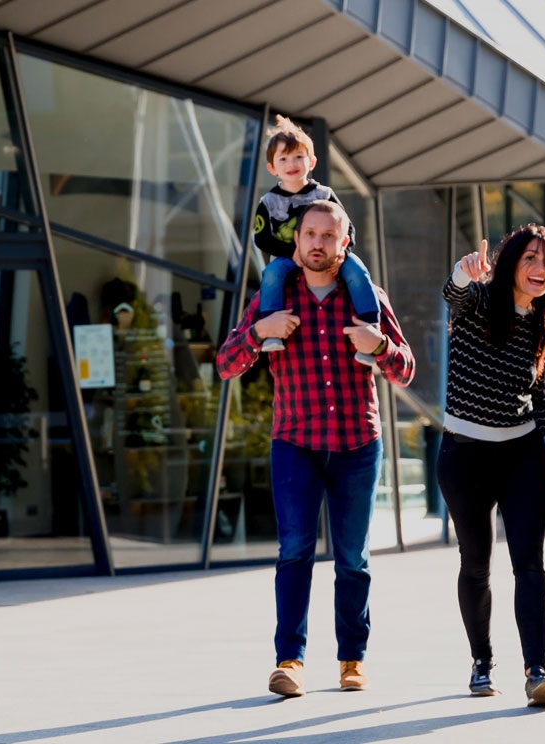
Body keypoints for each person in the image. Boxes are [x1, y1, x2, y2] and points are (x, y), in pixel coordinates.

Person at [217, 200, 413, 698]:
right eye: (310, 234)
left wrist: (379, 346)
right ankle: (290, 661)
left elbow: (406, 369)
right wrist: (261, 332)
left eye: (329, 235)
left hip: (356, 445)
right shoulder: (274, 297)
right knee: (295, 553)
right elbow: (225, 364)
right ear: (297, 241)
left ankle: (352, 660)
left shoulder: (366, 298)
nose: (319, 243)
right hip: (296, 444)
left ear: (344, 242)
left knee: (352, 559)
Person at [438, 224, 545, 707]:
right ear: (511, 261)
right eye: (531, 259)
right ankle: (481, 661)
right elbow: (451, 293)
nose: (541, 271)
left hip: (522, 457)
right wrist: (462, 270)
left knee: (529, 565)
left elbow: (537, 400)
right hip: (464, 455)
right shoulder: (475, 302)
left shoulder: (542, 324)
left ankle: (537, 670)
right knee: (475, 563)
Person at [250, 116, 378, 366]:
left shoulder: (325, 194)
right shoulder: (268, 202)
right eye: (283, 159)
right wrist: (292, 251)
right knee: (271, 275)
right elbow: (262, 238)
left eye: (298, 156)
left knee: (358, 272)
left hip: (330, 256)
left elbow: (347, 227)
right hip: (287, 258)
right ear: (272, 168)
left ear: (312, 161)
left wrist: (343, 251)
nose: (292, 164)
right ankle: (273, 327)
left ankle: (370, 325)